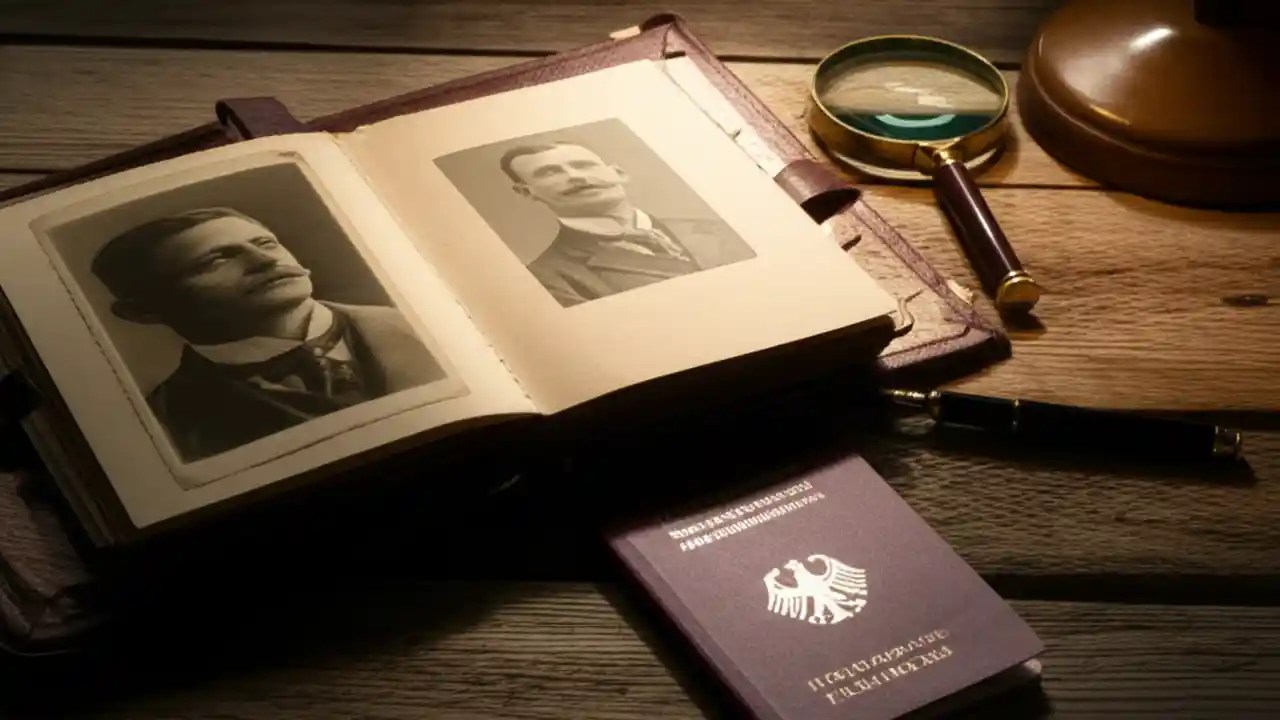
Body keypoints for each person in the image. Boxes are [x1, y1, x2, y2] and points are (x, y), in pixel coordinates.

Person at [91, 207, 444, 463]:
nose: (265, 261)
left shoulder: (438, 327)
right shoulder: (164, 430)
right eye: (215, 260)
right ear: (143, 312)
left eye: (266, 243)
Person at [500, 141, 756, 307]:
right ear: (525, 192)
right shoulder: (548, 278)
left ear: (618, 173)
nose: (576, 176)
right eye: (549, 172)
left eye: (583, 165)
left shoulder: (720, 228)